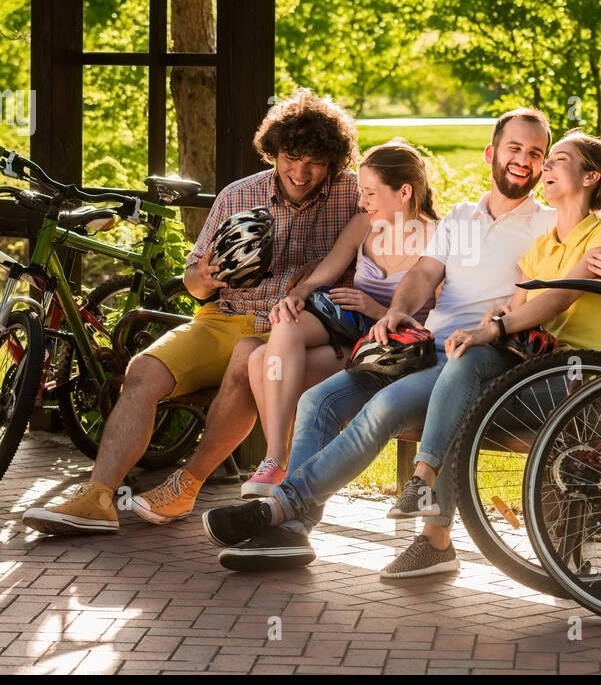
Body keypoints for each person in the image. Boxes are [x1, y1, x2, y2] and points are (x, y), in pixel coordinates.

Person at [202, 109, 601, 574]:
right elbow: (426, 273)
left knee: (384, 409)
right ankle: (292, 531)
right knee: (318, 401)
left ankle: (285, 512)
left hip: (481, 359)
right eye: (514, 149)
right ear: (491, 153)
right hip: (422, 347)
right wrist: (396, 311)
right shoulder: (461, 217)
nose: (525, 161)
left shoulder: (548, 224)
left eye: (537, 154)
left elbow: (598, 262)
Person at [22, 88, 361, 535]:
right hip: (222, 316)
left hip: (292, 329)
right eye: (290, 158)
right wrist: (206, 276)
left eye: (314, 162)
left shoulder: (352, 194)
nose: (300, 173)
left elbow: (393, 227)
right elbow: (194, 284)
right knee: (142, 370)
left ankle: (186, 484)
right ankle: (97, 498)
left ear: (334, 161)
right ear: (273, 151)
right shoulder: (238, 196)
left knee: (245, 359)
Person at [388, 130, 601, 574]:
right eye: (550, 161)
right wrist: (488, 324)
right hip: (540, 376)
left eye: (559, 160)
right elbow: (518, 303)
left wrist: (497, 326)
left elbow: (560, 296)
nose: (546, 168)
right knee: (468, 374)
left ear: (590, 177)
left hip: (583, 385)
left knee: (467, 392)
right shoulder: (541, 246)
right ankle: (424, 496)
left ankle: (433, 535)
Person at [240, 141, 438, 497]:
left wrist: (376, 309)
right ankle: (278, 464)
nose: (362, 202)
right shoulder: (365, 224)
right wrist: (295, 297)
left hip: (392, 354)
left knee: (260, 360)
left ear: (404, 192)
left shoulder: (437, 238)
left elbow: (435, 325)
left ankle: (287, 478)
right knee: (275, 337)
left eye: (370, 193)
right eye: (362, 192)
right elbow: (323, 275)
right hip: (350, 333)